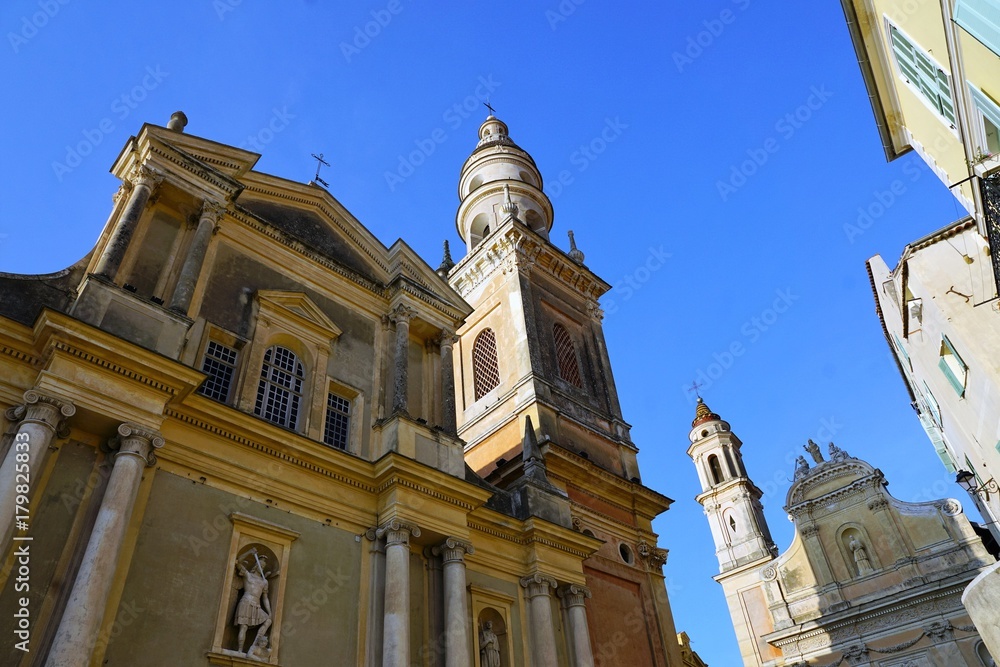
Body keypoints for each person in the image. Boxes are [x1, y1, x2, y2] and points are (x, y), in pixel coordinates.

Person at [235, 553, 272, 653]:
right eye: (260, 565)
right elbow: (238, 563)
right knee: (243, 627)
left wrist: (269, 612)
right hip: (246, 602)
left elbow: (265, 598)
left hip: (257, 605)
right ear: (256, 566)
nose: (261, 568)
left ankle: (254, 646)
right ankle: (240, 650)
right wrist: (250, 551)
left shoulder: (264, 582)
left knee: (268, 621)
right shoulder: (248, 575)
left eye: (263, 567)